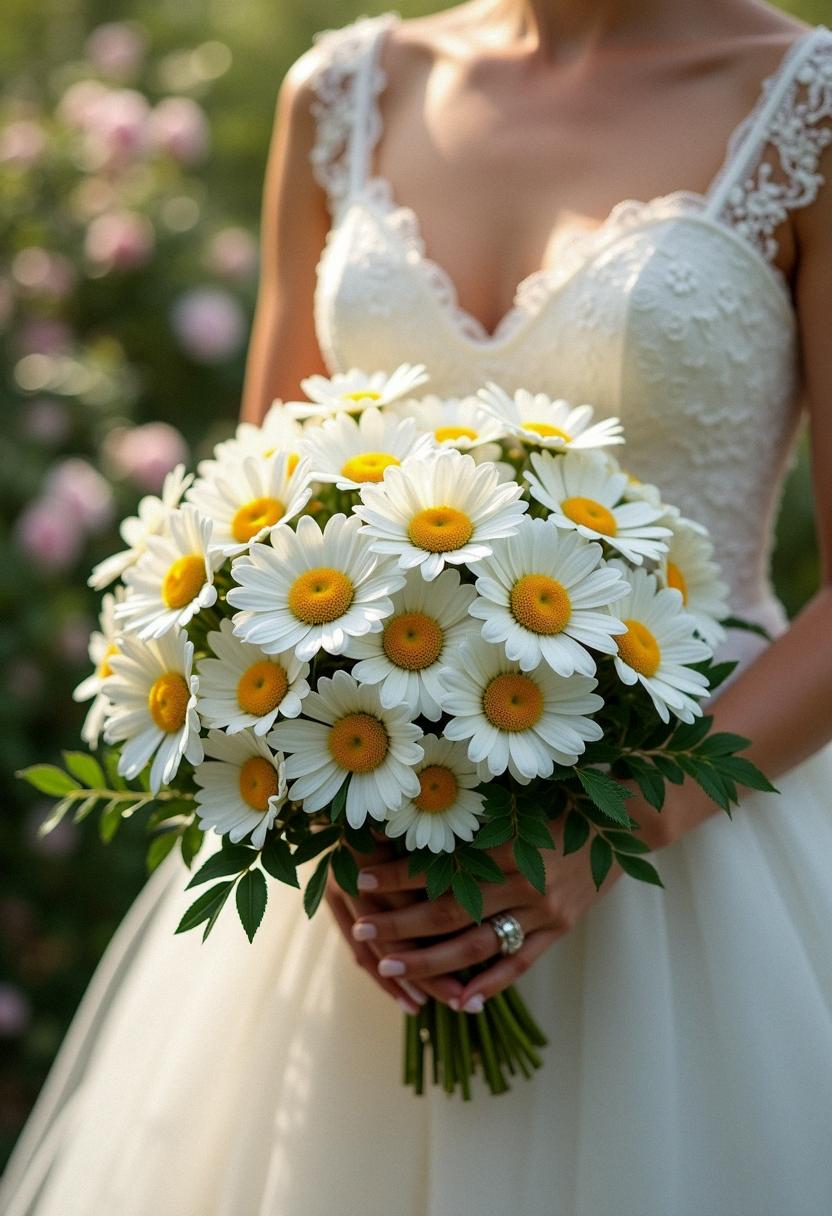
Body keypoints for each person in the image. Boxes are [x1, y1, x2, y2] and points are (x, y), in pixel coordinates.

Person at [3, 1, 832, 1212]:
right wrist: (320, 811)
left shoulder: (802, 104)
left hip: (696, 833)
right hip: (373, 850)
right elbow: (263, 516)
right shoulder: (343, 91)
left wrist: (607, 835)